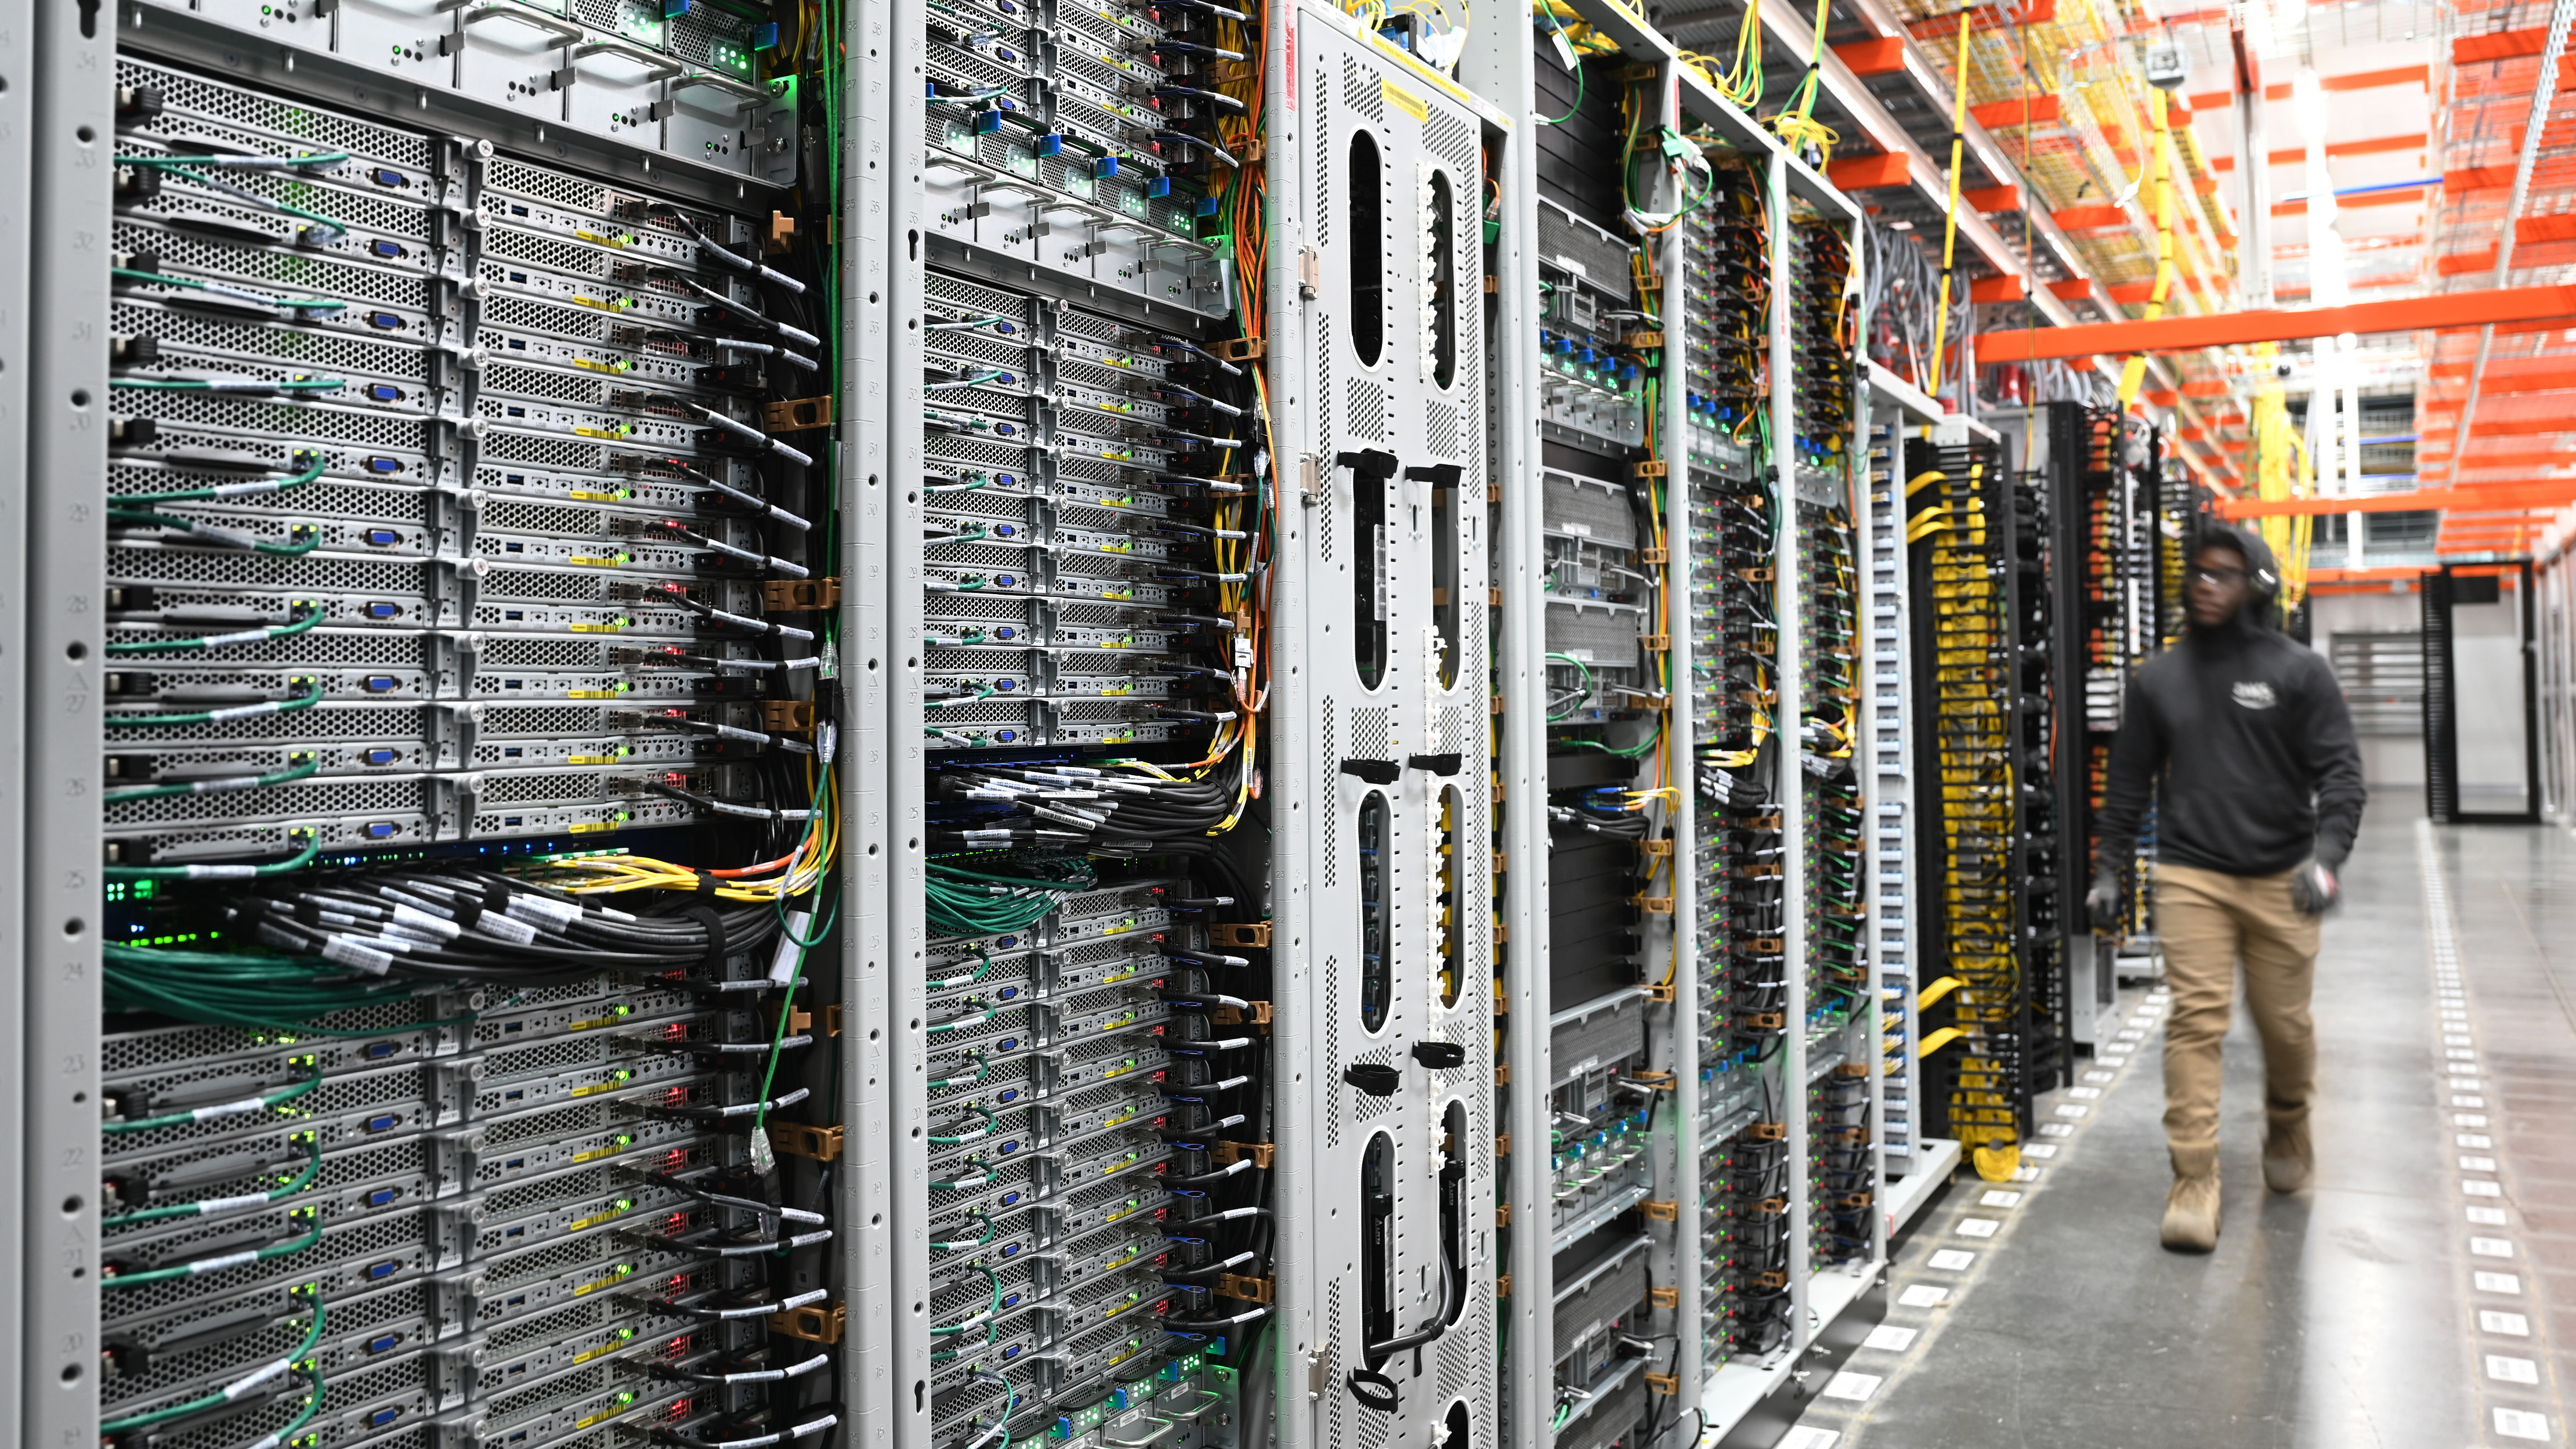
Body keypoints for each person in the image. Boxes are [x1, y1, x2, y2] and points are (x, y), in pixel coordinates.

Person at [2087, 523, 2366, 1253]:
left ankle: (2287, 1114)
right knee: (2195, 1021)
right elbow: (2126, 782)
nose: (2207, 584)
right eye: (2200, 572)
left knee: (2286, 1028)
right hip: (2191, 873)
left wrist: (2327, 858)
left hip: (2282, 877)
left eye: (2225, 575)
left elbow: (2342, 777)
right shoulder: (2159, 678)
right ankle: (2194, 1178)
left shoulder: (2299, 672)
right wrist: (2110, 867)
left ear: (2258, 588)